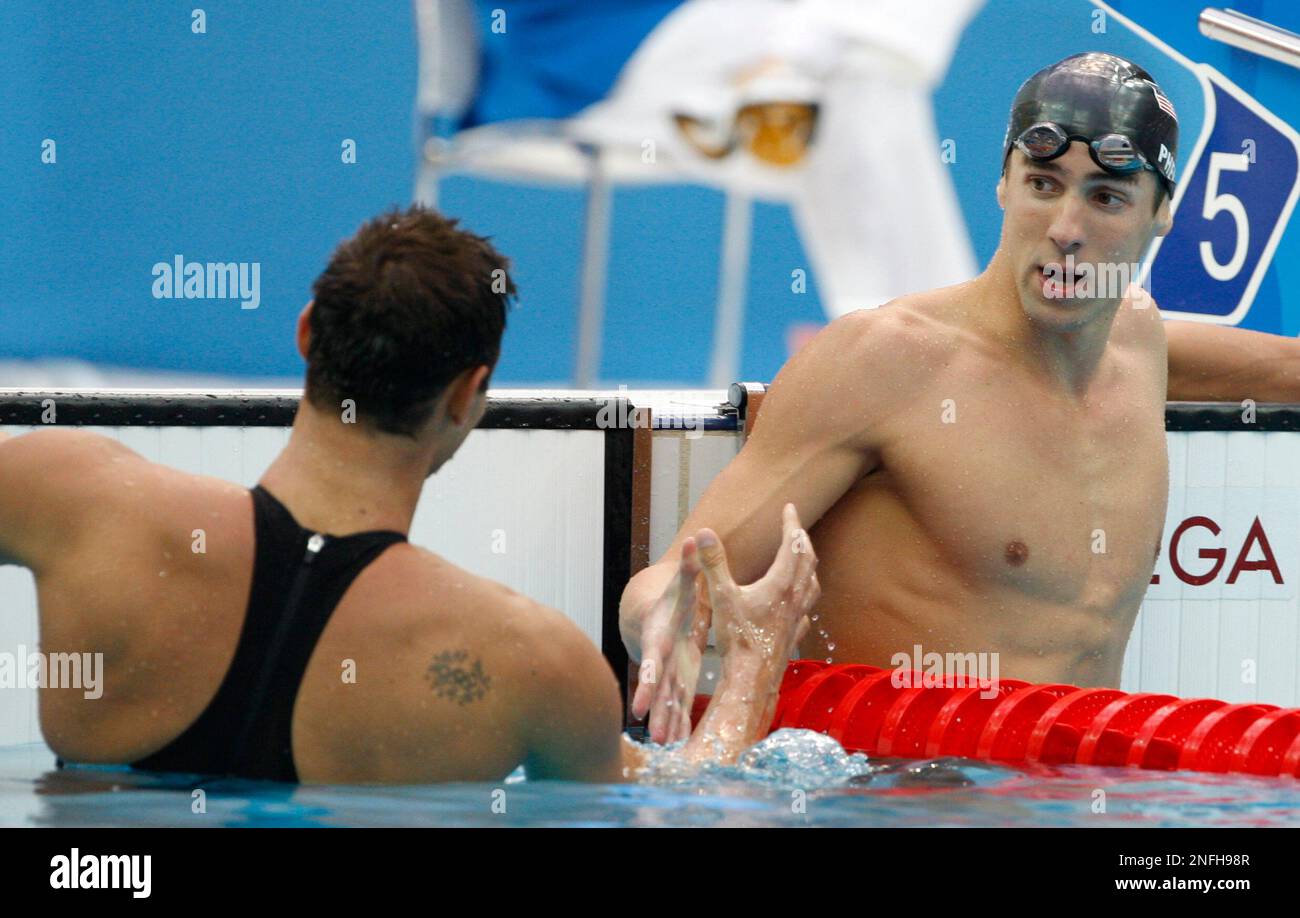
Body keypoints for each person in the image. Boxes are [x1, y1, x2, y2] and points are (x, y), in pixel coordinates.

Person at [0, 206, 820, 784]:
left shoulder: (74, 494)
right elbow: (685, 802)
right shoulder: (529, 659)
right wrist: (757, 654)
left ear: (307, 332)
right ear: (470, 394)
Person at [621, 51, 1300, 744]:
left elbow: (1286, 370)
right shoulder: (884, 359)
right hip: (904, 798)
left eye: (1106, 197)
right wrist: (667, 619)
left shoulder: (1139, 342)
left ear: (1162, 213)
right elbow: (672, 579)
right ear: (1003, 184)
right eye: (1043, 183)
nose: (1067, 229)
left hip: (1080, 800)